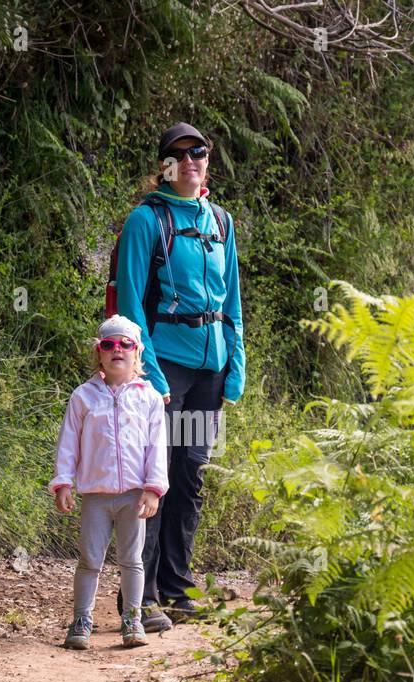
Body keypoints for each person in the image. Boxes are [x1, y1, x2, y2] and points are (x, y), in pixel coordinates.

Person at [115, 122, 244, 632]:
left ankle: (177, 588)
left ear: (209, 161)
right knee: (156, 479)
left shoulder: (222, 223)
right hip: (164, 367)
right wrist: (148, 373)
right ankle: (140, 596)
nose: (191, 161)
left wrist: (235, 367)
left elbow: (232, 300)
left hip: (209, 372)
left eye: (200, 153)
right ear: (164, 165)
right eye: (179, 155)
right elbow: (129, 302)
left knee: (191, 475)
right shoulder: (147, 220)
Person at [49, 315, 169, 650]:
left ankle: (132, 618)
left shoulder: (150, 398)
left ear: (137, 353)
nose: (117, 350)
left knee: (132, 559)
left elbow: (156, 448)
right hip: (96, 496)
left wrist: (153, 488)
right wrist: (63, 482)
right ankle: (82, 619)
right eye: (109, 344)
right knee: (90, 560)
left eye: (125, 344)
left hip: (134, 496)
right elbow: (68, 443)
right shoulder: (83, 397)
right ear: (99, 353)